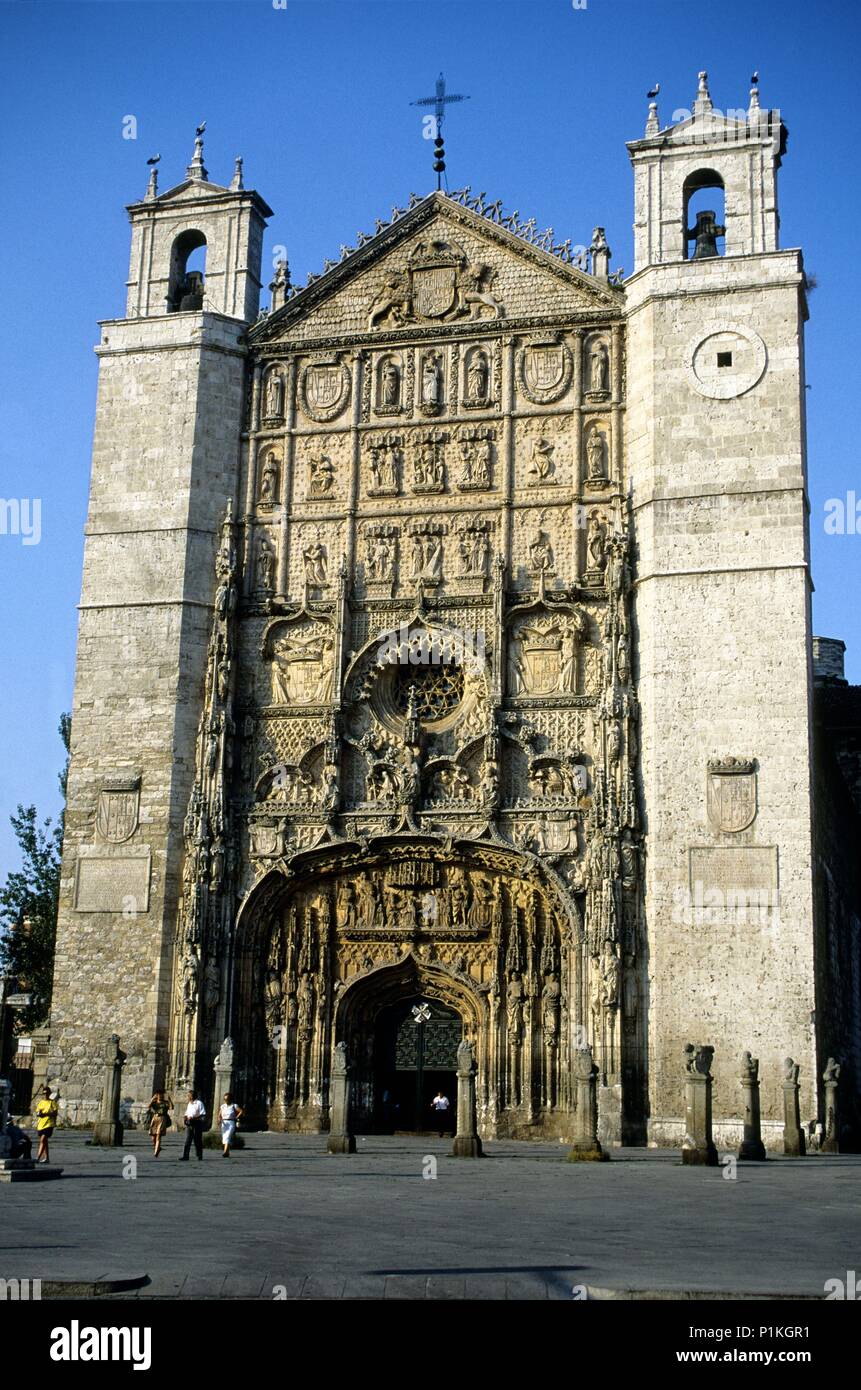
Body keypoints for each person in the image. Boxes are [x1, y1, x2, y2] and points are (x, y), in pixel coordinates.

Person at [179, 1090, 206, 1161]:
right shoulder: (189, 1104)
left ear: (192, 1096)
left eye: (189, 1095)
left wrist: (194, 1118)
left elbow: (203, 1115)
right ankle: (185, 1156)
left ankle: (199, 1155)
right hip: (189, 1124)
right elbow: (187, 1113)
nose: (188, 1097)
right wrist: (185, 1118)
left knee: (197, 1140)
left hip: (197, 1124)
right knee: (188, 1140)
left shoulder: (199, 1103)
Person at [34, 1085, 58, 1164]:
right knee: (44, 1141)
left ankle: (37, 1157)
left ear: (49, 1093)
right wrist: (39, 1113)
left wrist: (46, 1114)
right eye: (44, 1093)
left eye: (47, 1093)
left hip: (49, 1124)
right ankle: (47, 1158)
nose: (45, 1095)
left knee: (42, 1140)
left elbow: (55, 1113)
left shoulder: (52, 1102)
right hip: (41, 1124)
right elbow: (37, 1112)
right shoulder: (41, 1102)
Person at [146, 1089, 173, 1158]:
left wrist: (169, 1100)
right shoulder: (154, 1102)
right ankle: (157, 1147)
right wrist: (152, 1099)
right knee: (153, 1137)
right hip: (155, 1118)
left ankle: (156, 1151)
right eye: (159, 1094)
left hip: (162, 1118)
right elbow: (148, 1107)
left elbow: (171, 1107)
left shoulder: (165, 1102)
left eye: (161, 1094)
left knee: (158, 1135)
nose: (160, 1096)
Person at [218, 1092, 243, 1158]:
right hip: (224, 1122)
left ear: (230, 1099)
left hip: (231, 1122)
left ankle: (225, 1152)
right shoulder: (222, 1106)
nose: (226, 1100)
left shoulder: (234, 1105)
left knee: (228, 1136)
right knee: (224, 1137)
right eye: (225, 1099)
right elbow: (220, 1114)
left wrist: (236, 1117)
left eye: (227, 1099)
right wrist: (219, 1119)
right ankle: (227, 1152)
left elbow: (241, 1111)